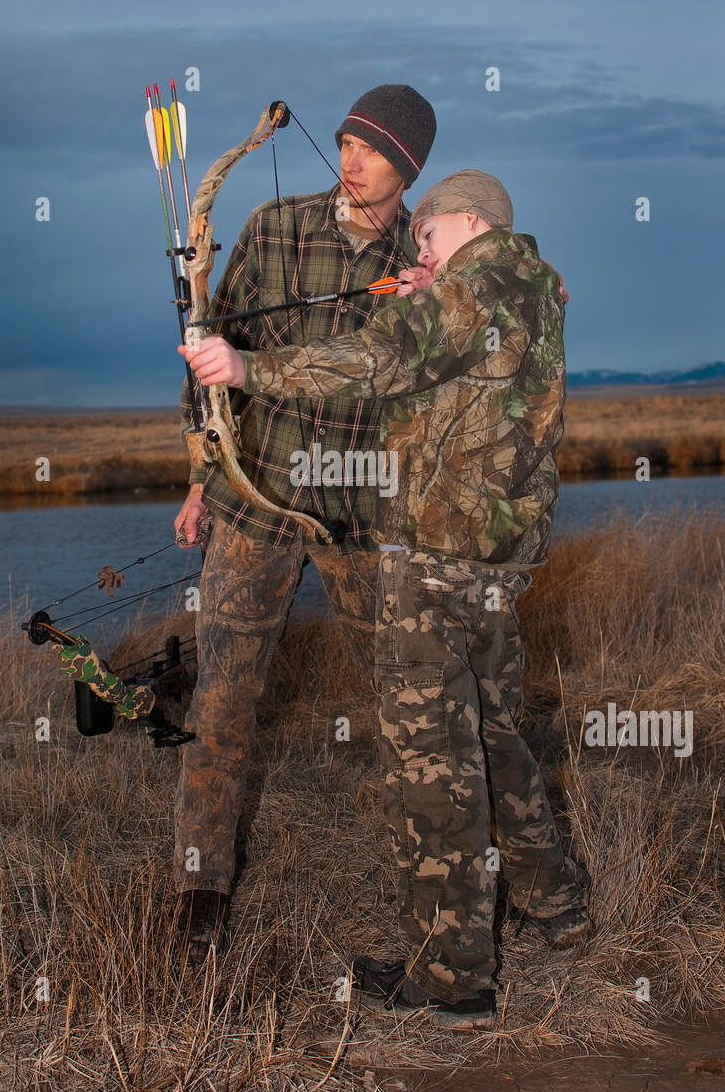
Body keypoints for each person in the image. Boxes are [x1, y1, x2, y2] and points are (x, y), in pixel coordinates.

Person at [181, 169, 590, 1026]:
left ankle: (454, 979)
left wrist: (242, 364)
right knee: (496, 728)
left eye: (429, 238)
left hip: (438, 555)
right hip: (499, 554)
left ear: (466, 222)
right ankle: (556, 909)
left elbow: (371, 361)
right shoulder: (532, 286)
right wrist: (434, 290)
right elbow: (457, 371)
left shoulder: (469, 291)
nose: (419, 252)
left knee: (435, 761)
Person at [171, 85, 437, 963]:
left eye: (376, 151)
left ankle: (443, 899)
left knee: (407, 703)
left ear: (410, 170)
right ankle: (200, 891)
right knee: (222, 698)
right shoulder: (274, 225)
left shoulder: (425, 259)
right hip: (256, 496)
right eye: (348, 142)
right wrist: (205, 468)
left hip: (364, 513)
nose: (353, 160)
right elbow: (207, 347)